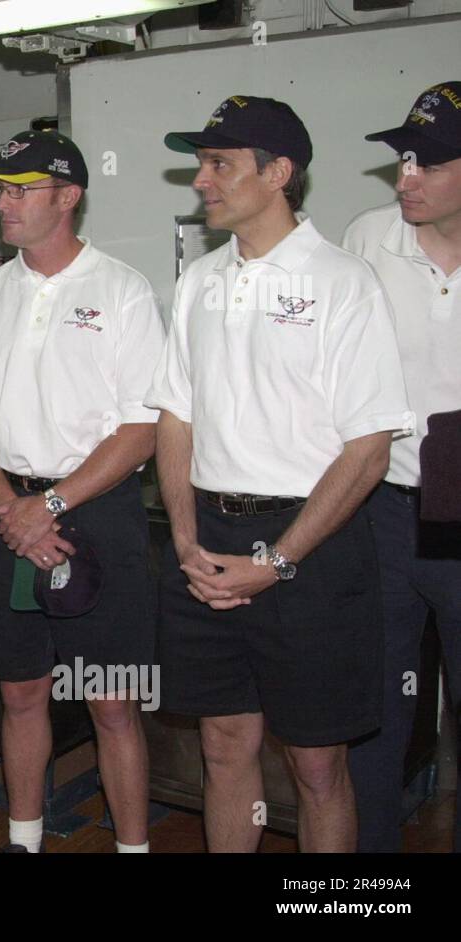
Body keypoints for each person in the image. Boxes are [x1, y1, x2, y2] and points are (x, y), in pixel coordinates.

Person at [146, 96, 411, 852]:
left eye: (218, 164)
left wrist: (279, 561)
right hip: (208, 537)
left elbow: (368, 449)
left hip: (311, 548)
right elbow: (175, 417)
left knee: (317, 765)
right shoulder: (200, 281)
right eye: (201, 163)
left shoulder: (343, 281)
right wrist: (185, 538)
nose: (201, 180)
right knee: (224, 743)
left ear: (278, 172)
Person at [0, 130, 165, 853]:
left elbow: (142, 429)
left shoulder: (122, 291)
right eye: (0, 190)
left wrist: (52, 506)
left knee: (112, 702)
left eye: (20, 190)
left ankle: (132, 848)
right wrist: (14, 509)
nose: (2, 204)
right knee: (20, 692)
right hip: (8, 514)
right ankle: (25, 840)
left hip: (98, 514)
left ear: (68, 196)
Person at [345, 80, 461, 853]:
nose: (406, 178)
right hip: (382, 507)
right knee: (377, 703)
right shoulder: (367, 239)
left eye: (430, 163)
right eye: (403, 160)